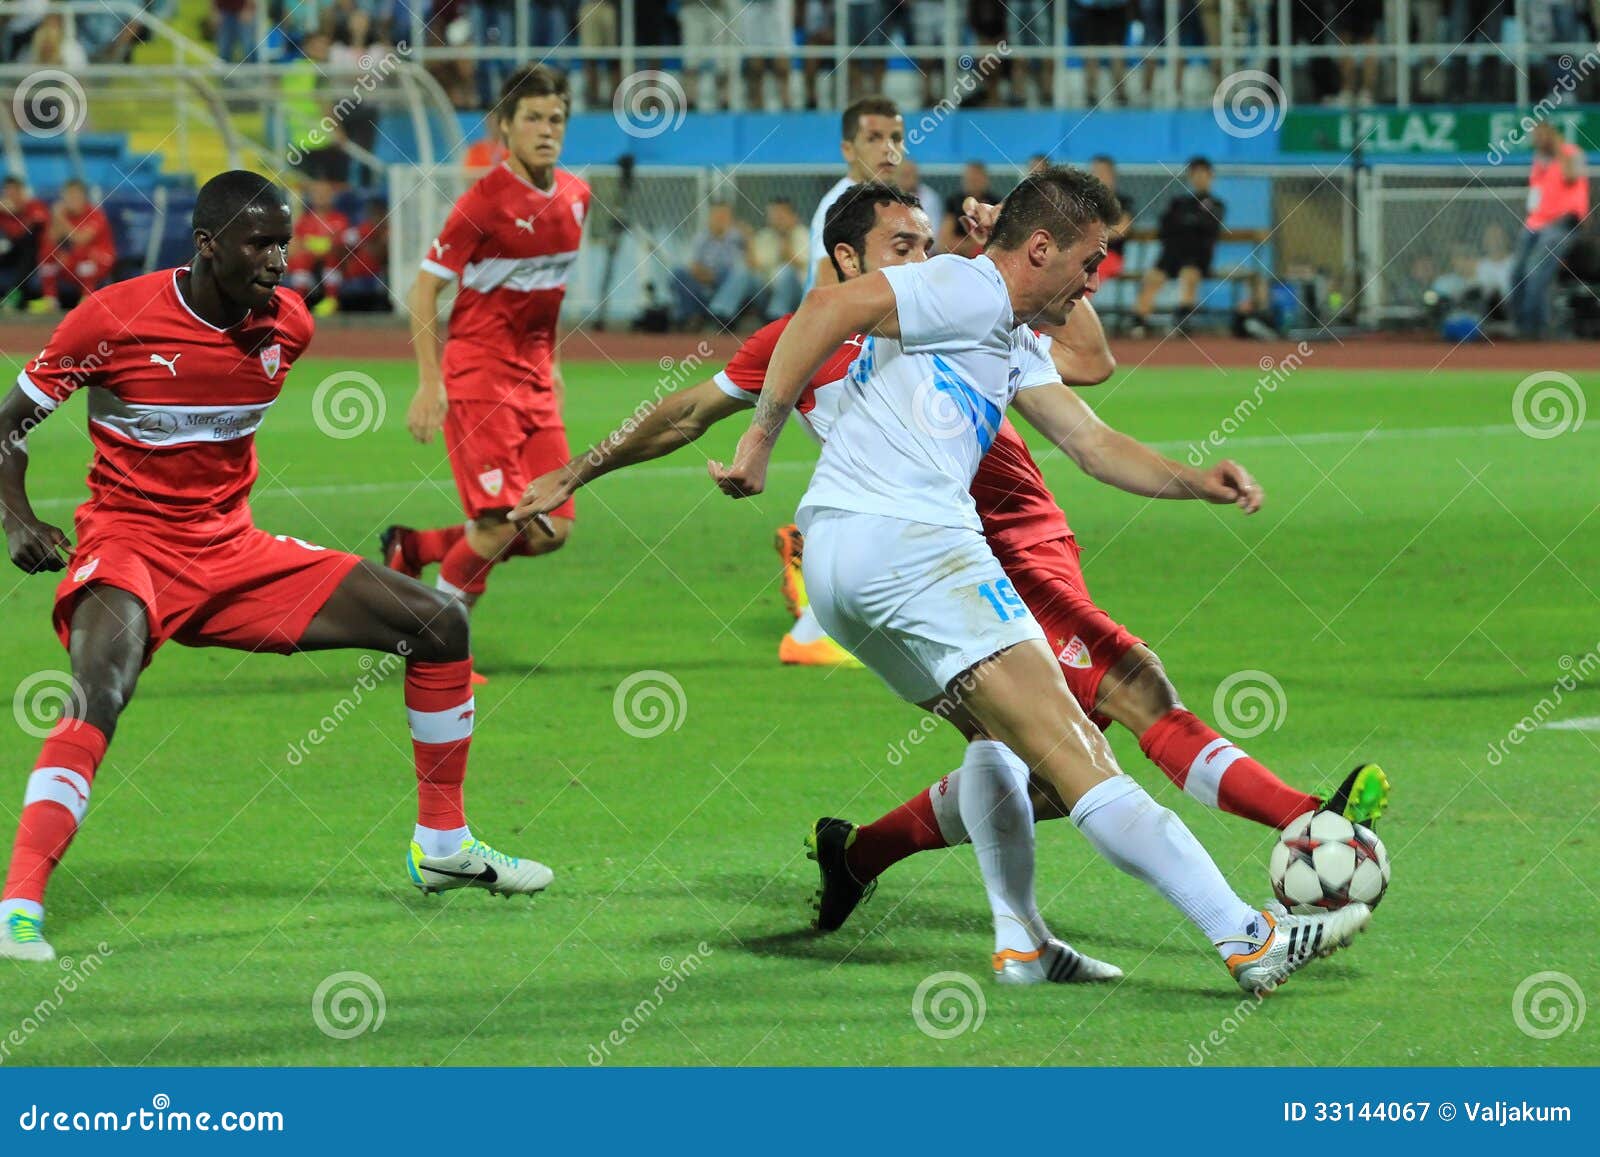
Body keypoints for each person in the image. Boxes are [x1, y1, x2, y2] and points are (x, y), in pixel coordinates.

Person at [510, 183, 1390, 904]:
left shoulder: (964, 301)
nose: (923, 258)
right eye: (904, 245)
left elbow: (1087, 379)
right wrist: (586, 467)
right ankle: (1297, 839)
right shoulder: (820, 337)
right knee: (1123, 690)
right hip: (952, 559)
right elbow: (686, 411)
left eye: (929, 241)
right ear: (851, 259)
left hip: (1023, 535)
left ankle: (863, 859)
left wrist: (1016, 262)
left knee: (1035, 768)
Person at [706, 168, 1373, 992]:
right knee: (1080, 757)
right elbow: (825, 306)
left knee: (994, 739)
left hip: (839, 565)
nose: (1096, 280)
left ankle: (1022, 940)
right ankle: (1247, 936)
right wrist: (760, 439)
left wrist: (1196, 477)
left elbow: (1092, 442)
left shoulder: (1006, 326)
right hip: (917, 546)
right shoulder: (966, 288)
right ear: (1042, 249)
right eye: (1089, 261)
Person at [0, 170, 552, 963]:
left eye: (284, 243)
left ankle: (444, 843)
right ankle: (19, 904)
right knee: (103, 684)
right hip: (130, 544)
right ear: (207, 245)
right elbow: (6, 428)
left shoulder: (287, 325)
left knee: (439, 622)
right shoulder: (113, 317)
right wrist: (18, 520)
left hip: (232, 550)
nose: (278, 260)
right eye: (259, 243)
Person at [387, 66, 591, 619]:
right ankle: (439, 648)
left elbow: (546, 299)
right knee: (497, 528)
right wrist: (431, 383)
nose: (546, 130)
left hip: (536, 381)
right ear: (504, 127)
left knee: (553, 527)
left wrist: (557, 369)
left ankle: (419, 548)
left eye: (556, 119)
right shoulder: (484, 203)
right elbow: (424, 289)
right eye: (532, 119)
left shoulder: (577, 197)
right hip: (479, 376)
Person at [807, 96, 904, 289]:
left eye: (895, 138)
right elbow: (828, 285)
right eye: (873, 138)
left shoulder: (893, 202)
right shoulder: (840, 206)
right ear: (848, 150)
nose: (888, 148)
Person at [1510, 121, 1589, 339]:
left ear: (1552, 134)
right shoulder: (1539, 161)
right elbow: (1536, 195)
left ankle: (1537, 329)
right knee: (1516, 272)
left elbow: (1572, 176)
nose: (1538, 140)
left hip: (1562, 223)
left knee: (1535, 272)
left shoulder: (1571, 153)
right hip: (1536, 223)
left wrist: (1558, 149)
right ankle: (1520, 325)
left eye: (1542, 135)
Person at [1131, 155, 1224, 334]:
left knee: (1189, 274)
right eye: (1195, 174)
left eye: (1202, 174)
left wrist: (1188, 222)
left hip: (1198, 256)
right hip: (1172, 254)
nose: (1199, 178)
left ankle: (1183, 320)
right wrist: (1191, 222)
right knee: (1153, 277)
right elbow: (1165, 226)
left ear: (1210, 175)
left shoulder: (1217, 204)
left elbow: (1210, 226)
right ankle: (1139, 322)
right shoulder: (1179, 202)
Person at [713, 198, 809, 326]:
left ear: (793, 216)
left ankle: (777, 317)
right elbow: (753, 265)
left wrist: (785, 238)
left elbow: (798, 264)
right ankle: (722, 313)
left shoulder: (804, 234)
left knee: (787, 271)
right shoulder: (766, 236)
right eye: (773, 215)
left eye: (780, 215)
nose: (776, 219)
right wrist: (749, 239)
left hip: (795, 294)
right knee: (744, 271)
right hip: (768, 293)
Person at [34, 180, 116, 313]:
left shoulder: (95, 214)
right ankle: (50, 299)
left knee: (85, 253)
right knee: (47, 252)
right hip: (74, 261)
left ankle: (86, 297)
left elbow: (81, 239)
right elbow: (50, 239)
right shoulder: (63, 215)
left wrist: (60, 218)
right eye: (68, 197)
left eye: (75, 196)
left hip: (101, 261)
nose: (71, 201)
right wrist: (56, 218)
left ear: (84, 197)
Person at [670, 201, 748, 329]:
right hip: (702, 286)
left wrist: (712, 275)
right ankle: (690, 318)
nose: (720, 220)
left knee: (730, 274)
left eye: (724, 217)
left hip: (725, 287)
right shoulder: (701, 238)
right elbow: (692, 266)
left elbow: (739, 271)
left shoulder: (737, 238)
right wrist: (710, 275)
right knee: (679, 272)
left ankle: (720, 314)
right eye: (717, 216)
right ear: (710, 218)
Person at [286, 178, 350, 316]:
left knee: (333, 257)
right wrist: (313, 247)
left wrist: (318, 245)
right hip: (309, 265)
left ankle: (331, 300)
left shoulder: (339, 218)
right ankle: (298, 303)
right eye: (317, 193)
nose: (321, 196)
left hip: (334, 264)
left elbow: (340, 243)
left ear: (332, 195)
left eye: (325, 192)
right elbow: (295, 245)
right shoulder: (305, 220)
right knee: (300, 260)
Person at [0, 177, 50, 310]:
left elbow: (36, 227)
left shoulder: (34, 206)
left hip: (36, 254)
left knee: (28, 244)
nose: (11, 196)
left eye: (14, 192)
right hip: (9, 252)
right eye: (8, 192)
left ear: (22, 192)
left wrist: (17, 211)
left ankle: (14, 295)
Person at [1088, 155, 1133, 281]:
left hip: (1110, 255)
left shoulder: (1123, 201)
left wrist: (1089, 236)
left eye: (1103, 172)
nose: (1099, 176)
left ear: (1112, 175)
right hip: (1084, 253)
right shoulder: (1084, 201)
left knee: (1085, 275)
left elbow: (1121, 229)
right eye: (1096, 172)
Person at [939, 161, 995, 258]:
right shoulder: (953, 202)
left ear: (985, 179)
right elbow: (944, 243)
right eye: (971, 178)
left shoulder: (995, 203)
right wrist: (973, 245)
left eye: (977, 178)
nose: (974, 182)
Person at [896, 156, 942, 245]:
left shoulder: (930, 198)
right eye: (905, 175)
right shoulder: (887, 198)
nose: (910, 179)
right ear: (897, 177)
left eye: (913, 174)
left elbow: (934, 232)